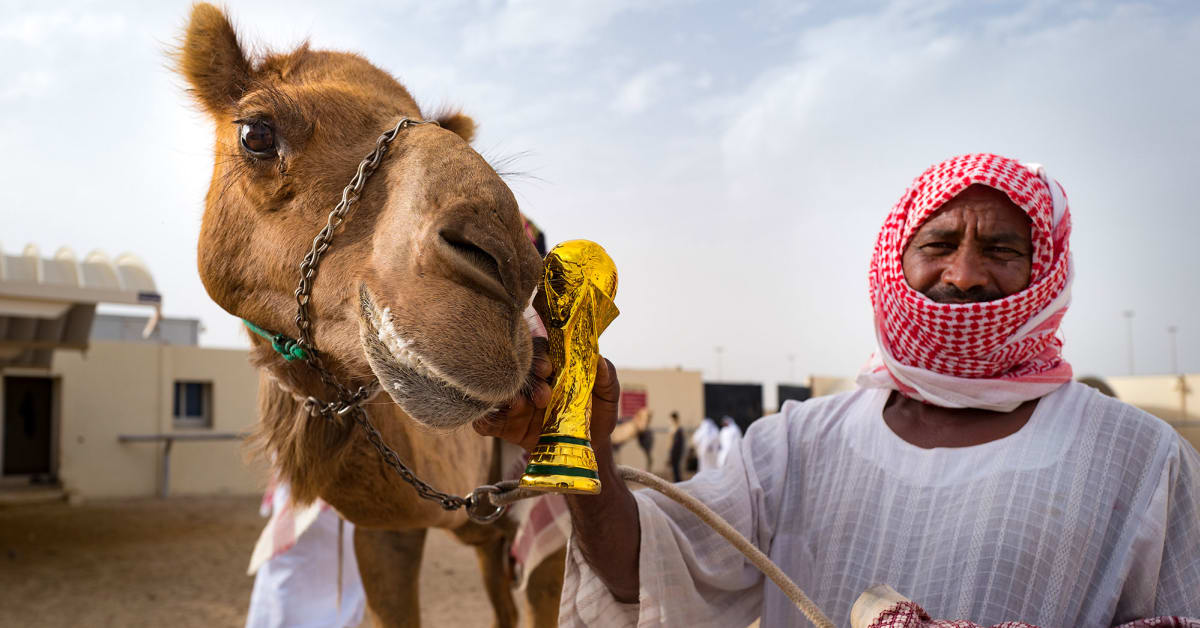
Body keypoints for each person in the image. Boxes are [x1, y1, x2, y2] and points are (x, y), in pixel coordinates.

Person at [475, 154, 1200, 627]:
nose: (967, 273)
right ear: (897, 262)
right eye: (940, 244)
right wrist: (583, 453)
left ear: (1048, 276)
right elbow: (655, 575)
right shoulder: (796, 443)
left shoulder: (1141, 462)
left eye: (1004, 249)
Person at [667, 411, 686, 482]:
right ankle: (677, 480)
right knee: (674, 466)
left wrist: (672, 450)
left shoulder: (678, 429)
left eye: (670, 419)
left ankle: (678, 481)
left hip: (676, 450)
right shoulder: (674, 428)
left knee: (676, 466)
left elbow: (676, 442)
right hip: (673, 449)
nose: (669, 421)